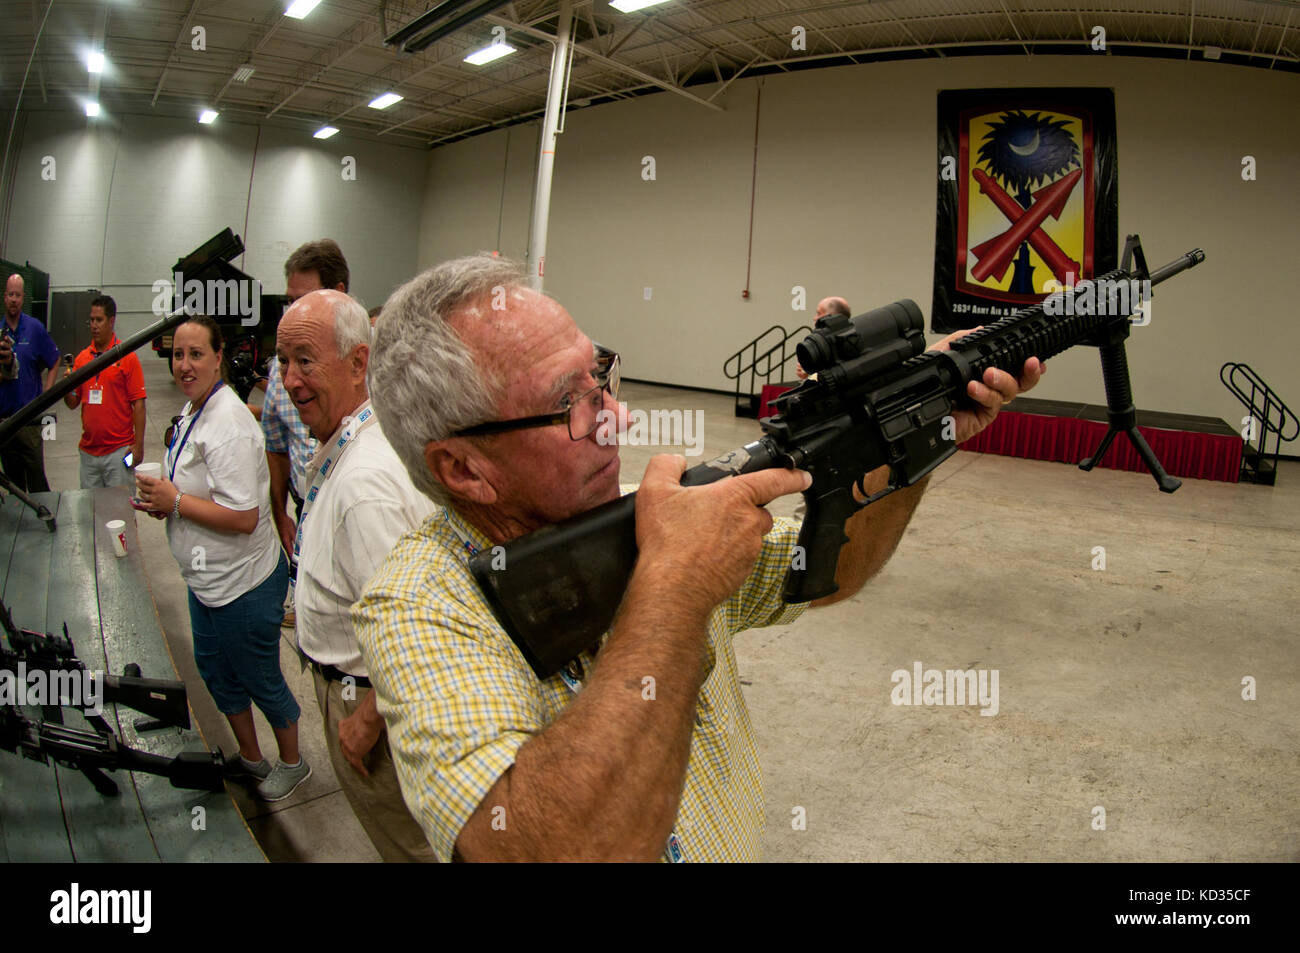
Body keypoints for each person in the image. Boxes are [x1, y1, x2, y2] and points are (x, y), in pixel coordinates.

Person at [352, 256, 1044, 862]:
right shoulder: (419, 605)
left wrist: (916, 438)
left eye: (602, 379)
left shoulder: (646, 509)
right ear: (465, 470)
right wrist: (673, 587)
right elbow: (550, 848)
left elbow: (824, 577)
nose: (617, 419)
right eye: (570, 402)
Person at [278, 289, 437, 861]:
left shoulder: (364, 483)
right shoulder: (361, 442)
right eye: (283, 362)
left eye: (304, 360)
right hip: (362, 694)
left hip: (372, 706)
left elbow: (415, 631)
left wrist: (367, 720)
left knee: (409, 845)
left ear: (358, 363)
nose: (290, 381)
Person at [135, 315, 310, 801]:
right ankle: (252, 758)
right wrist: (166, 505)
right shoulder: (196, 410)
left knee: (259, 677)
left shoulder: (229, 423)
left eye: (196, 354)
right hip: (206, 581)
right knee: (215, 670)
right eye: (178, 355)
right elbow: (193, 496)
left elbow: (243, 517)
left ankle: (294, 762)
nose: (185, 365)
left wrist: (173, 502)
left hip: (245, 584)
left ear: (218, 358)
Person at [262, 239, 349, 624]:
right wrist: (280, 512)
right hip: (304, 501)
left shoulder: (373, 368)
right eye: (290, 301)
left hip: (350, 510)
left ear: (340, 295)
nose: (294, 312)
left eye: (307, 300)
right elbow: (276, 443)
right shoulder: (278, 372)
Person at [62, 295, 147, 488]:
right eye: (91, 320)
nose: (94, 325)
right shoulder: (82, 359)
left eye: (98, 320)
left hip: (119, 452)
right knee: (90, 512)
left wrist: (138, 446)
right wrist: (67, 390)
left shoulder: (127, 357)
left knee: (120, 512)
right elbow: (73, 403)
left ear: (111, 321)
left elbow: (139, 403)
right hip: (88, 455)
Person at [0, 274, 60, 492]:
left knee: (37, 482)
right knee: (14, 485)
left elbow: (54, 360)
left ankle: (42, 520)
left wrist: (47, 393)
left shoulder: (35, 329)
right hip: (5, 422)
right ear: (4, 297)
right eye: (10, 294)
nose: (13, 299)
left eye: (17, 295)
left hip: (31, 422)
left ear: (23, 298)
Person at [796, 296, 851, 379]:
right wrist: (806, 376)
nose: (814, 318)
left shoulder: (829, 348)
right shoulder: (852, 341)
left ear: (832, 316)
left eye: (819, 313)